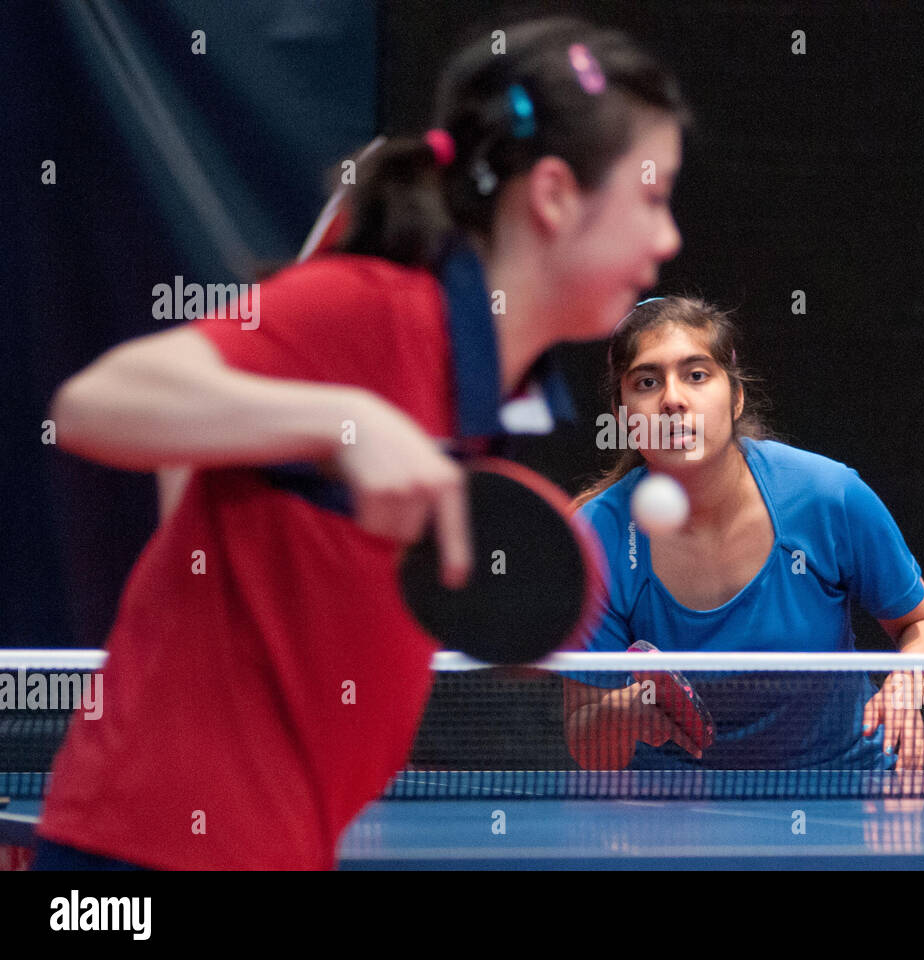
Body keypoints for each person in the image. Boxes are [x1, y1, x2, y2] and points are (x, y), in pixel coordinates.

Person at [36, 17, 688, 870]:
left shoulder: (489, 388)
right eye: (651, 195)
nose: (668, 237)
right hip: (144, 854)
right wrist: (347, 421)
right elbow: (97, 403)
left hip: (276, 847)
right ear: (556, 195)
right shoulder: (378, 309)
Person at [564, 296, 924, 772]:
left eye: (697, 375)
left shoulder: (827, 496)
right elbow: (588, 747)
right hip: (676, 812)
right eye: (647, 381)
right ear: (623, 415)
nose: (672, 399)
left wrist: (904, 689)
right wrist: (618, 715)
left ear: (736, 396)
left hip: (842, 783)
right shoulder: (597, 538)